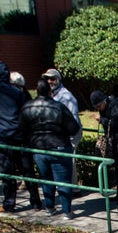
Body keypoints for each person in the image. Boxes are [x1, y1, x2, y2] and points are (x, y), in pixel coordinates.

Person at [0, 61, 41, 212]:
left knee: (7, 172)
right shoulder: (17, 92)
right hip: (20, 135)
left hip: (2, 136)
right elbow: (26, 111)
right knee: (27, 170)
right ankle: (36, 201)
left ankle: (9, 203)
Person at [20, 77, 81, 218]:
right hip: (59, 146)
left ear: (36, 90)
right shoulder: (58, 107)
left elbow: (22, 129)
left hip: (38, 148)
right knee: (63, 181)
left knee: (46, 179)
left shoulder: (27, 107)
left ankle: (50, 208)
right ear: (50, 91)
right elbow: (73, 128)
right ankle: (67, 211)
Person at [90, 90, 118, 200]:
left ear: (103, 101)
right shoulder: (106, 106)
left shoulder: (115, 103)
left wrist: (102, 120)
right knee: (117, 167)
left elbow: (116, 121)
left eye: (99, 106)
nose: (99, 109)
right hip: (113, 138)